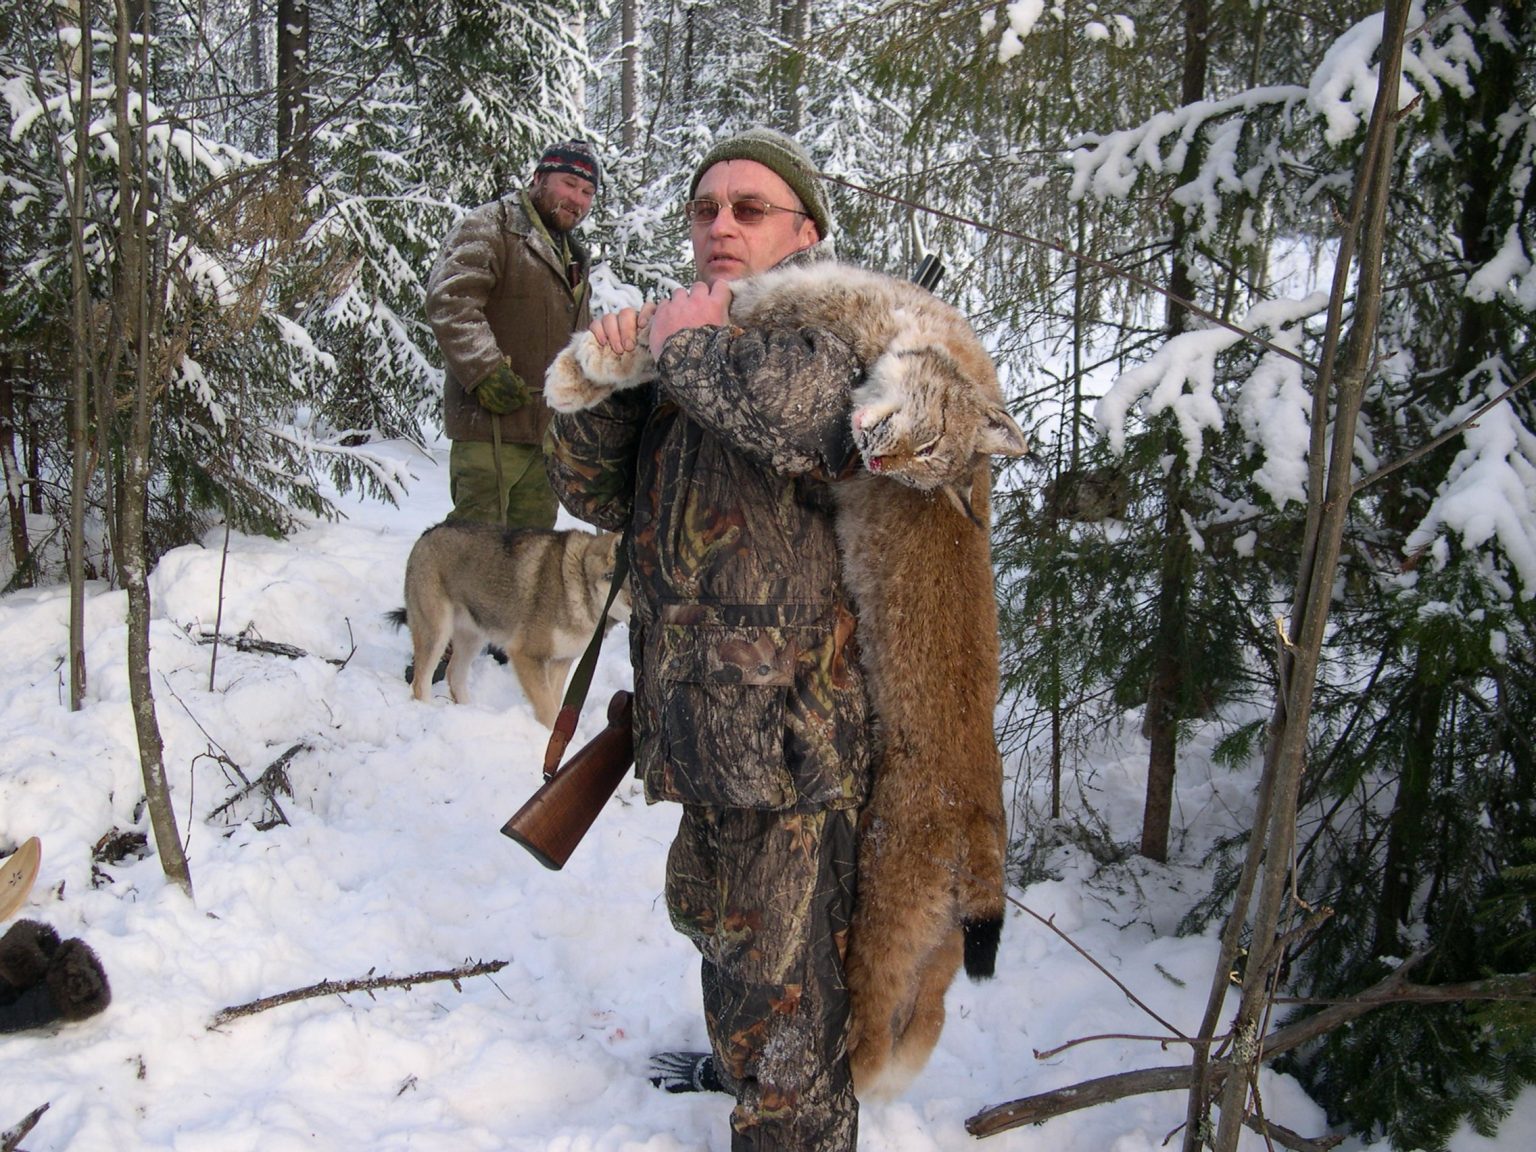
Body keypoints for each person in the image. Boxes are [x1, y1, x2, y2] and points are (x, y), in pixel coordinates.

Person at [545, 128, 869, 1151]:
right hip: (703, 724)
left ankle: (788, 1122)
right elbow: (600, 493)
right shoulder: (708, 332)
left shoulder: (837, 331)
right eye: (705, 208)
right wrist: (605, 379)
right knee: (724, 922)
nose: (719, 225)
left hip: (791, 740)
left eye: (749, 208)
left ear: (806, 231)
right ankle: (743, 1070)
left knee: (786, 982)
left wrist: (684, 346)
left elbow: (798, 421)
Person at [426, 139, 599, 528]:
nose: (578, 199)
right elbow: (451, 299)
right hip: (490, 428)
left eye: (588, 192)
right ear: (538, 178)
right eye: (569, 184)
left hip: (546, 434)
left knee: (530, 556)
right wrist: (485, 371)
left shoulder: (572, 256)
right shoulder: (491, 226)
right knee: (476, 548)